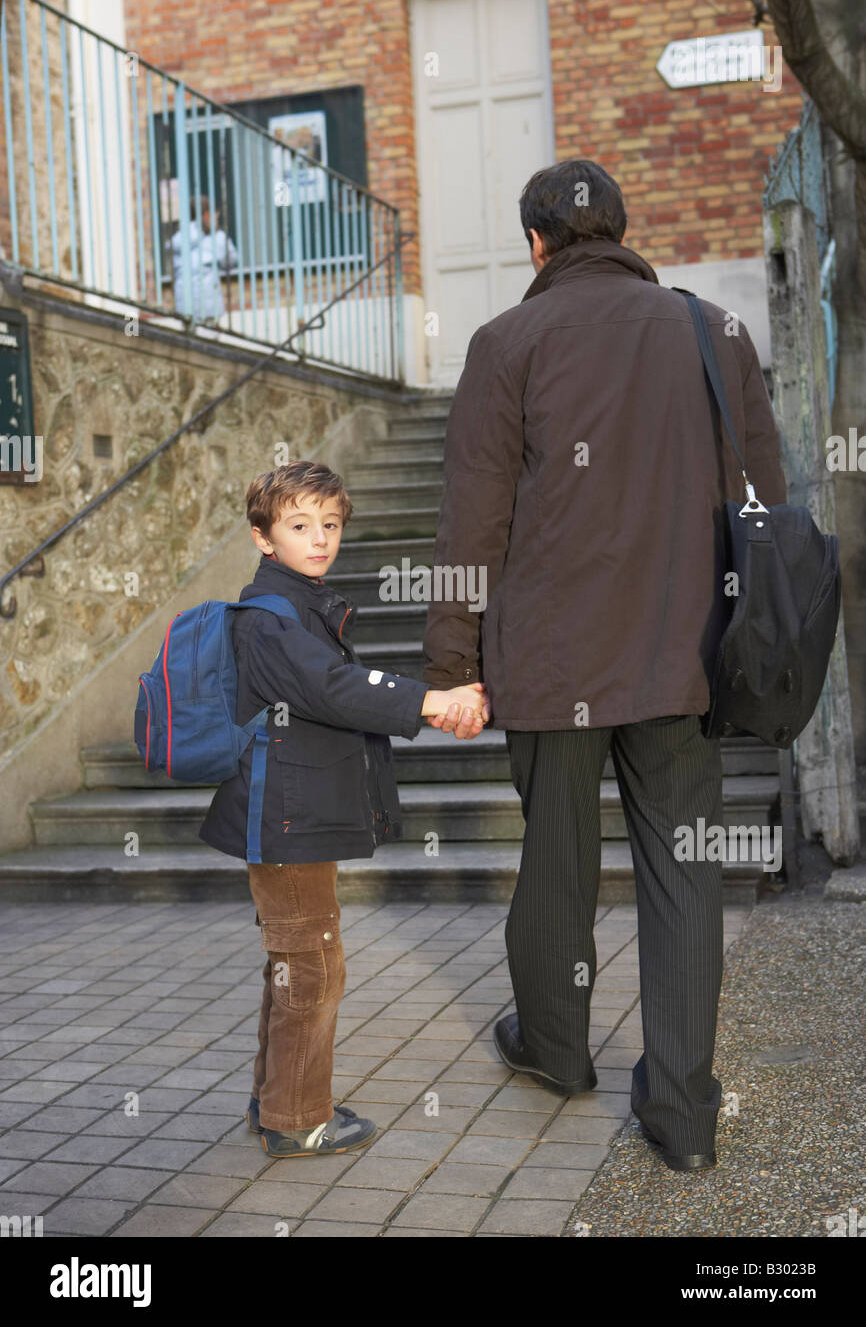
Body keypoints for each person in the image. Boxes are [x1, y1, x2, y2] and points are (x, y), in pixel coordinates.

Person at [421, 158, 788, 1172]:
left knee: (557, 857)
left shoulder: (505, 344)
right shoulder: (710, 331)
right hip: (678, 657)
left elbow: (470, 525)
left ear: (534, 244)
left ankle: (553, 1048)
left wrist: (453, 660)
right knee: (683, 876)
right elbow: (761, 492)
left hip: (547, 659)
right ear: (624, 231)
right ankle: (681, 1119)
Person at [198, 460, 489, 1158]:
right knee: (313, 965)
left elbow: (339, 684)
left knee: (292, 962)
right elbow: (334, 687)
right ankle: (298, 1117)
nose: (320, 537)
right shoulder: (271, 616)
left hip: (294, 813)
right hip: (287, 819)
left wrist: (424, 697)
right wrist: (433, 700)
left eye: (329, 524)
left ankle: (278, 1100)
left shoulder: (298, 605)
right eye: (300, 525)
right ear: (264, 538)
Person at [170, 195, 238, 323]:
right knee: (209, 339)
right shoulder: (216, 237)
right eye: (215, 214)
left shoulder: (178, 238)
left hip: (184, 304)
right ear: (206, 215)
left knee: (187, 340)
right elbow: (231, 260)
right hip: (207, 304)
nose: (217, 217)